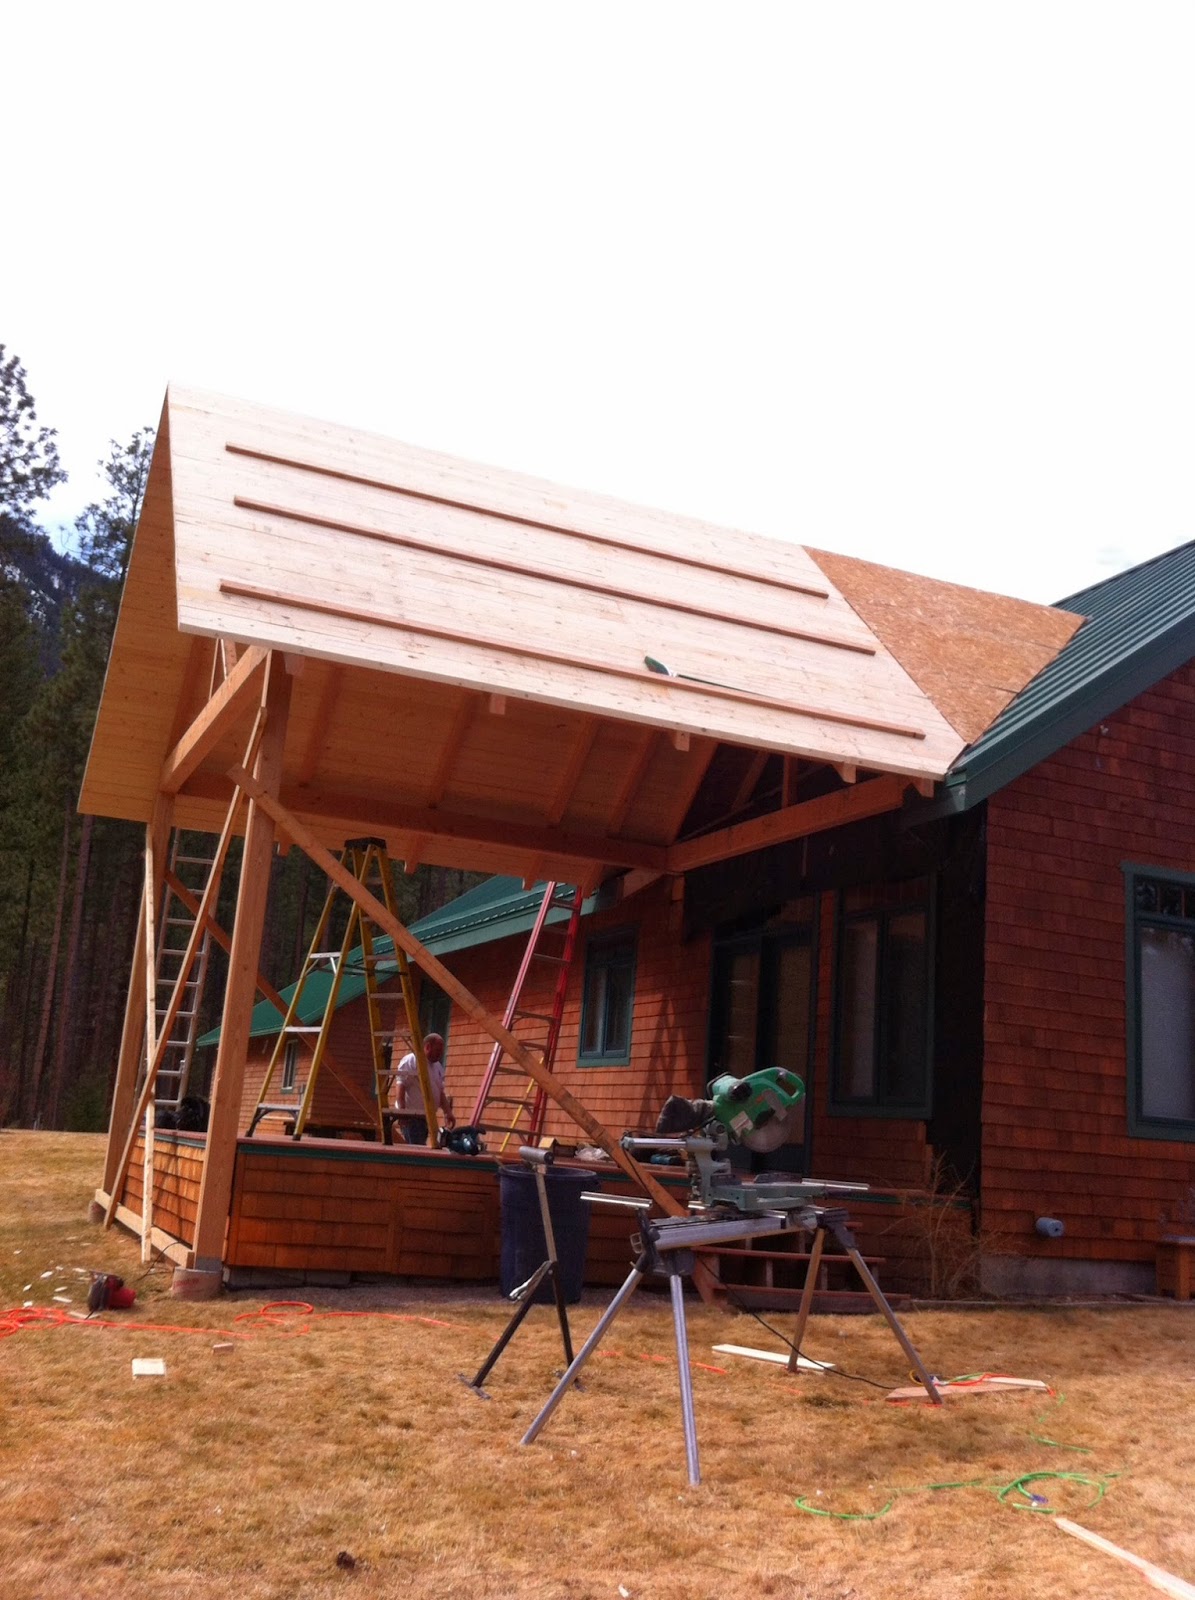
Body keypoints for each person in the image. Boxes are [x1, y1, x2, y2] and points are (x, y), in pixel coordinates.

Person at [392, 1032, 454, 1145]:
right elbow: (401, 1085)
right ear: (428, 1046)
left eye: (441, 1051)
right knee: (416, 1147)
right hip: (412, 1116)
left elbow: (440, 1093)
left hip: (426, 1117)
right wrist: (402, 1112)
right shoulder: (412, 1061)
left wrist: (447, 1112)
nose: (440, 1054)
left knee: (422, 1146)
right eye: (437, 1050)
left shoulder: (438, 1067)